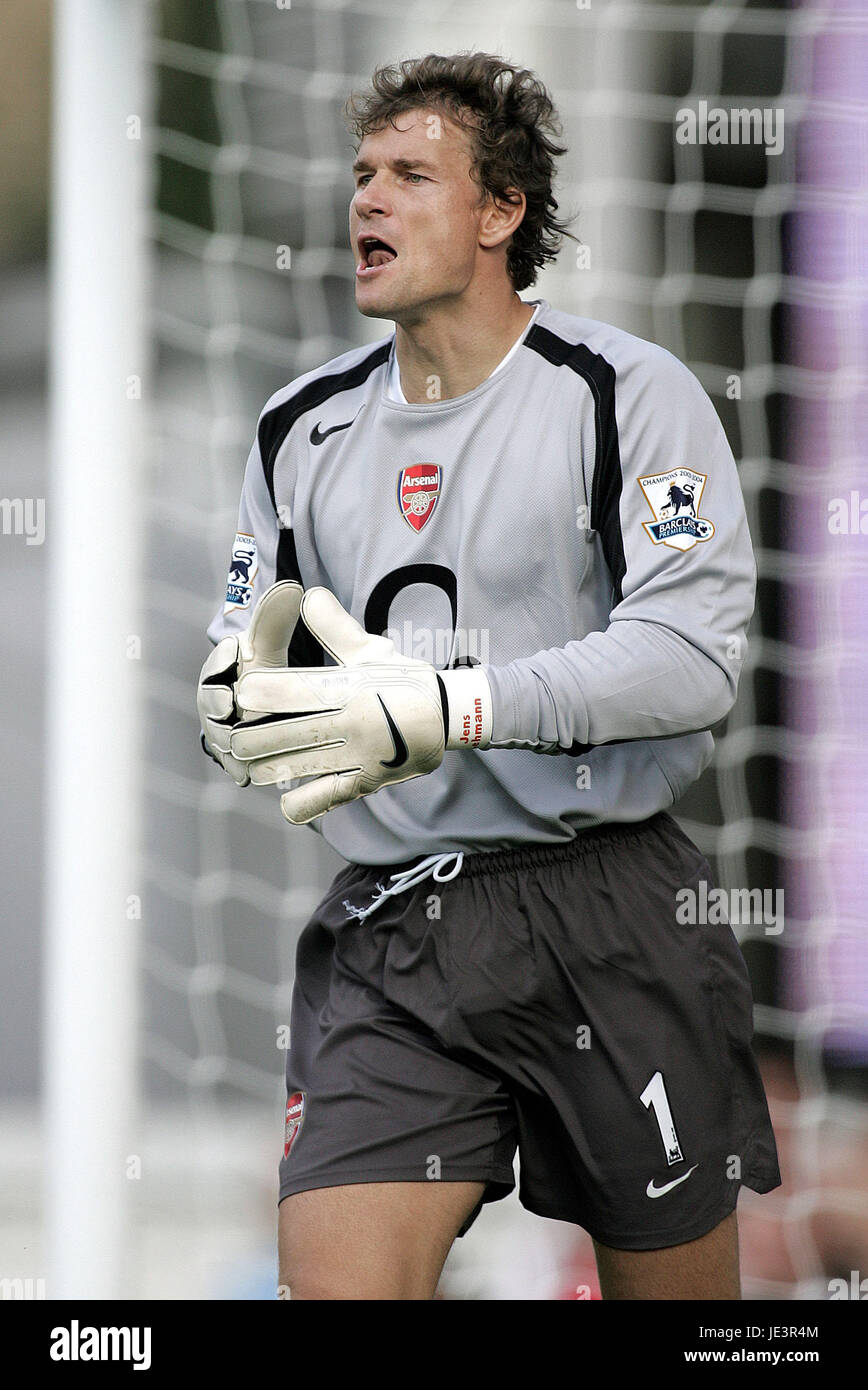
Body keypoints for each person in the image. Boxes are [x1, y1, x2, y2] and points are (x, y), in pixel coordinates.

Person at [197, 52, 780, 1300]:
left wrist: (450, 708)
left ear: (499, 213)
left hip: (610, 909)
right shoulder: (295, 429)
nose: (367, 200)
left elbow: (687, 661)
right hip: (394, 925)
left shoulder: (627, 395)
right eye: (361, 174)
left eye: (411, 175)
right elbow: (237, 654)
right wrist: (234, 709)